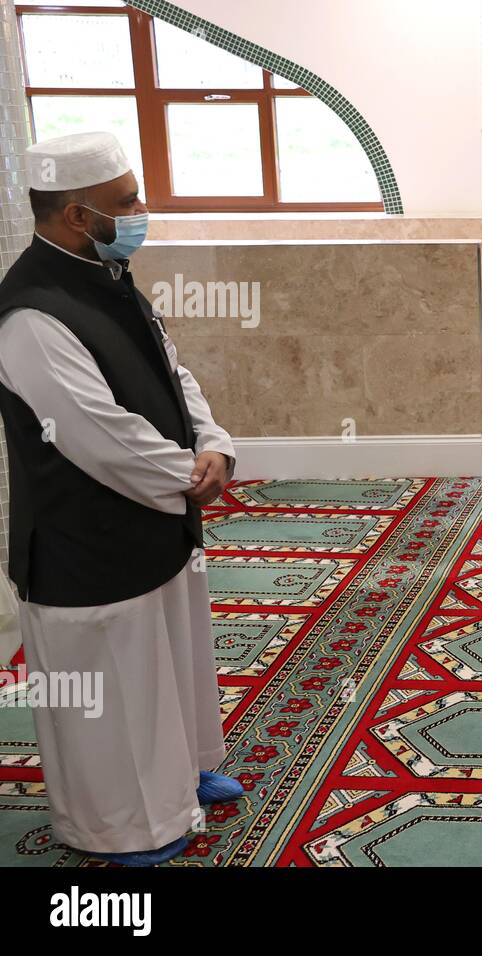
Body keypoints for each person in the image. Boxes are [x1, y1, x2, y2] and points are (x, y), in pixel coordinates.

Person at [0, 132, 244, 864]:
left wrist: (213, 443)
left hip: (155, 521)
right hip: (86, 542)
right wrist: (184, 474)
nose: (141, 211)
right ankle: (123, 827)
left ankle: (181, 776)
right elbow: (93, 434)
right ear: (76, 216)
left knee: (171, 662)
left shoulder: (105, 273)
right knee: (114, 694)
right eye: (125, 202)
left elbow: (172, 373)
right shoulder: (31, 314)